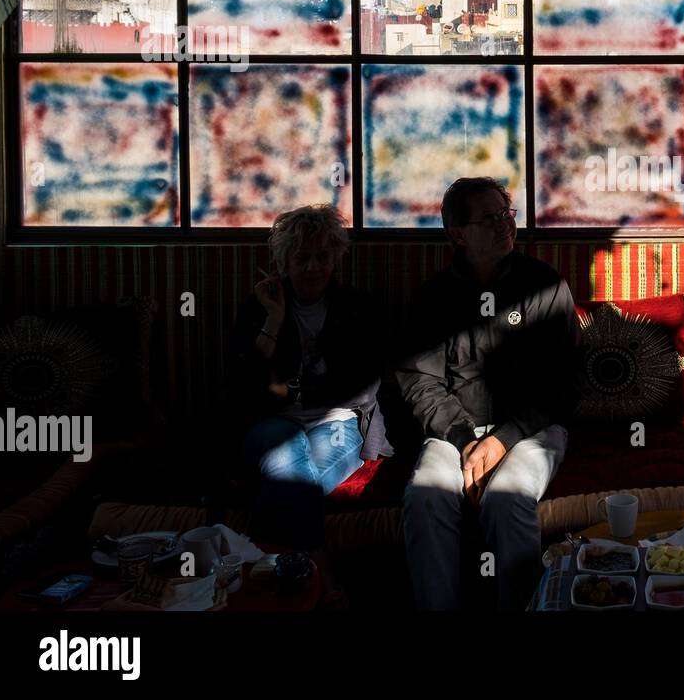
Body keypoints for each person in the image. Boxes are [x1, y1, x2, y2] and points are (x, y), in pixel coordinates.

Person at [396, 177, 578, 610]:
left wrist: (500, 441)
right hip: (454, 432)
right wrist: (464, 441)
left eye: (506, 215)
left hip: (533, 431)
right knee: (425, 498)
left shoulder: (545, 287)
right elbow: (420, 382)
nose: (504, 226)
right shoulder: (434, 298)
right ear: (458, 233)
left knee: (506, 500)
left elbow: (560, 383)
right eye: (489, 218)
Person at [230, 204, 392, 608]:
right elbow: (243, 389)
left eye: (322, 256)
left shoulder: (357, 308)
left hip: (336, 424)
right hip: (272, 424)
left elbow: (363, 386)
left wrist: (298, 388)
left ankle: (266, 575)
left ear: (336, 257)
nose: (314, 267)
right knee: (288, 457)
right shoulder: (260, 306)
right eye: (302, 257)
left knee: (290, 483)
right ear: (284, 261)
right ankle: (323, 572)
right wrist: (274, 318)